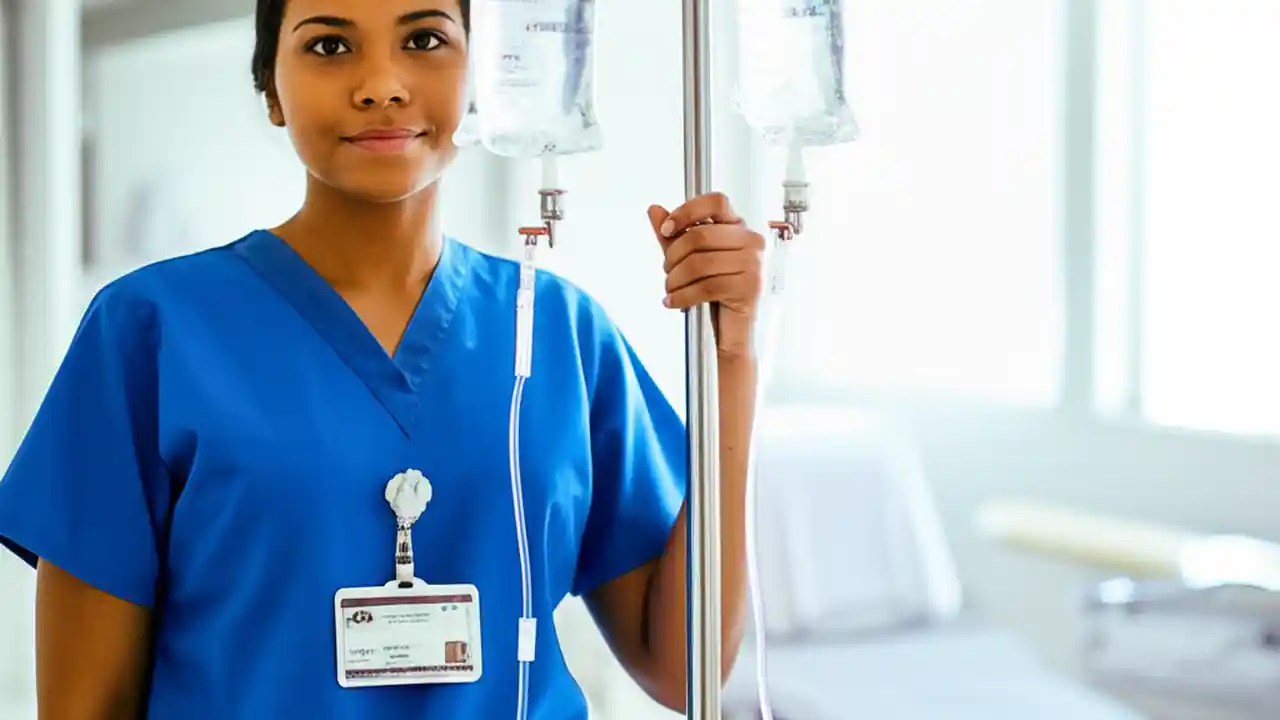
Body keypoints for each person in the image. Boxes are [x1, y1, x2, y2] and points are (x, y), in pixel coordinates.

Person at [0, 0, 764, 718]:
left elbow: (682, 666)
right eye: (329, 46)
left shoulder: (559, 331)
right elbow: (82, 706)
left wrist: (731, 361)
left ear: (481, 79)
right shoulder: (149, 330)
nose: (381, 86)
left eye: (425, 39)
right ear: (271, 88)